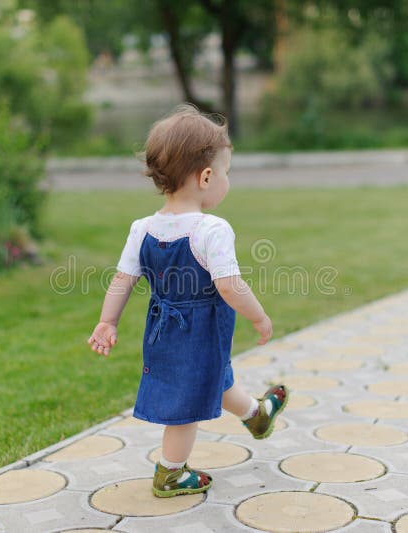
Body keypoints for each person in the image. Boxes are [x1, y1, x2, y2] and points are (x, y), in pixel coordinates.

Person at [87, 103, 289, 498]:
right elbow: (229, 286)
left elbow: (123, 278)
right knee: (186, 402)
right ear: (207, 176)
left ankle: (257, 416)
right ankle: (170, 473)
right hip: (199, 329)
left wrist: (107, 321)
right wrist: (260, 316)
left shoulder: (142, 228)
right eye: (227, 172)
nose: (227, 181)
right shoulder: (211, 229)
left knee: (213, 379)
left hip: (162, 330)